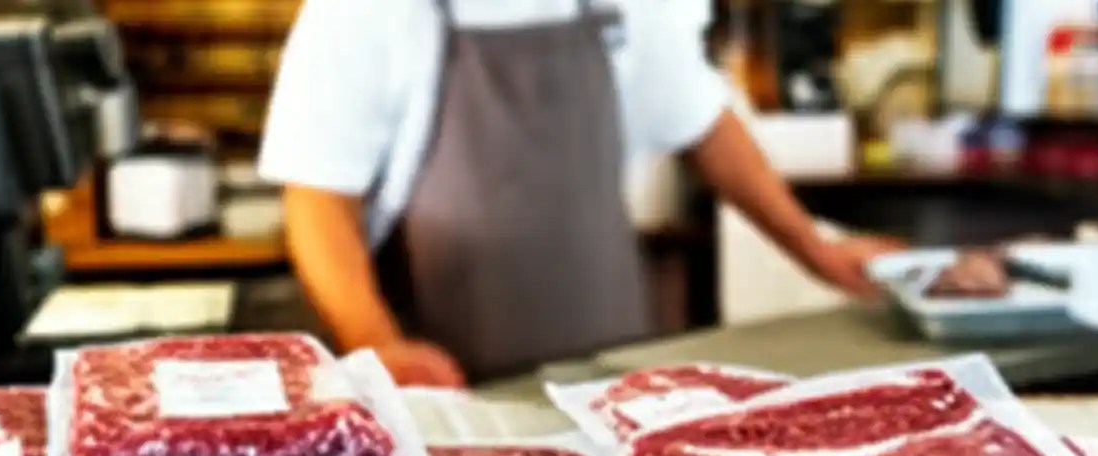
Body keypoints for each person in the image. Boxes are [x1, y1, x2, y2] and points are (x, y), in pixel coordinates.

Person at [261, 0, 900, 387]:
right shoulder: (366, 10)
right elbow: (317, 197)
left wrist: (815, 249)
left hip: (609, 378)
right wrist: (379, 346)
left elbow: (701, 121)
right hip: (452, 397)